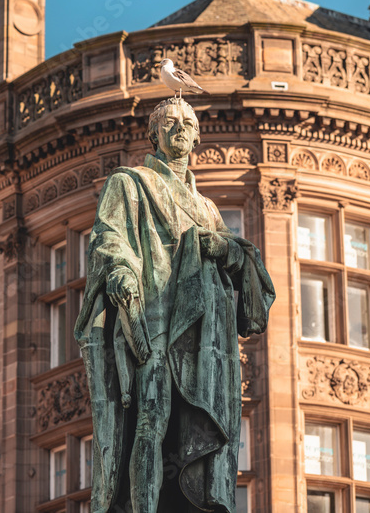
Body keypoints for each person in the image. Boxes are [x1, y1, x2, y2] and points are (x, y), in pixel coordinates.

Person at [74, 96, 275, 513]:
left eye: (187, 122)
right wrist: (121, 274)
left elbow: (242, 261)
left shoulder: (207, 208)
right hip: (154, 318)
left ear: (197, 136)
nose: (179, 127)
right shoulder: (130, 183)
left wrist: (225, 248)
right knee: (151, 417)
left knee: (192, 424)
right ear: (154, 134)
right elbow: (109, 238)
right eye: (169, 121)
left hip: (203, 335)